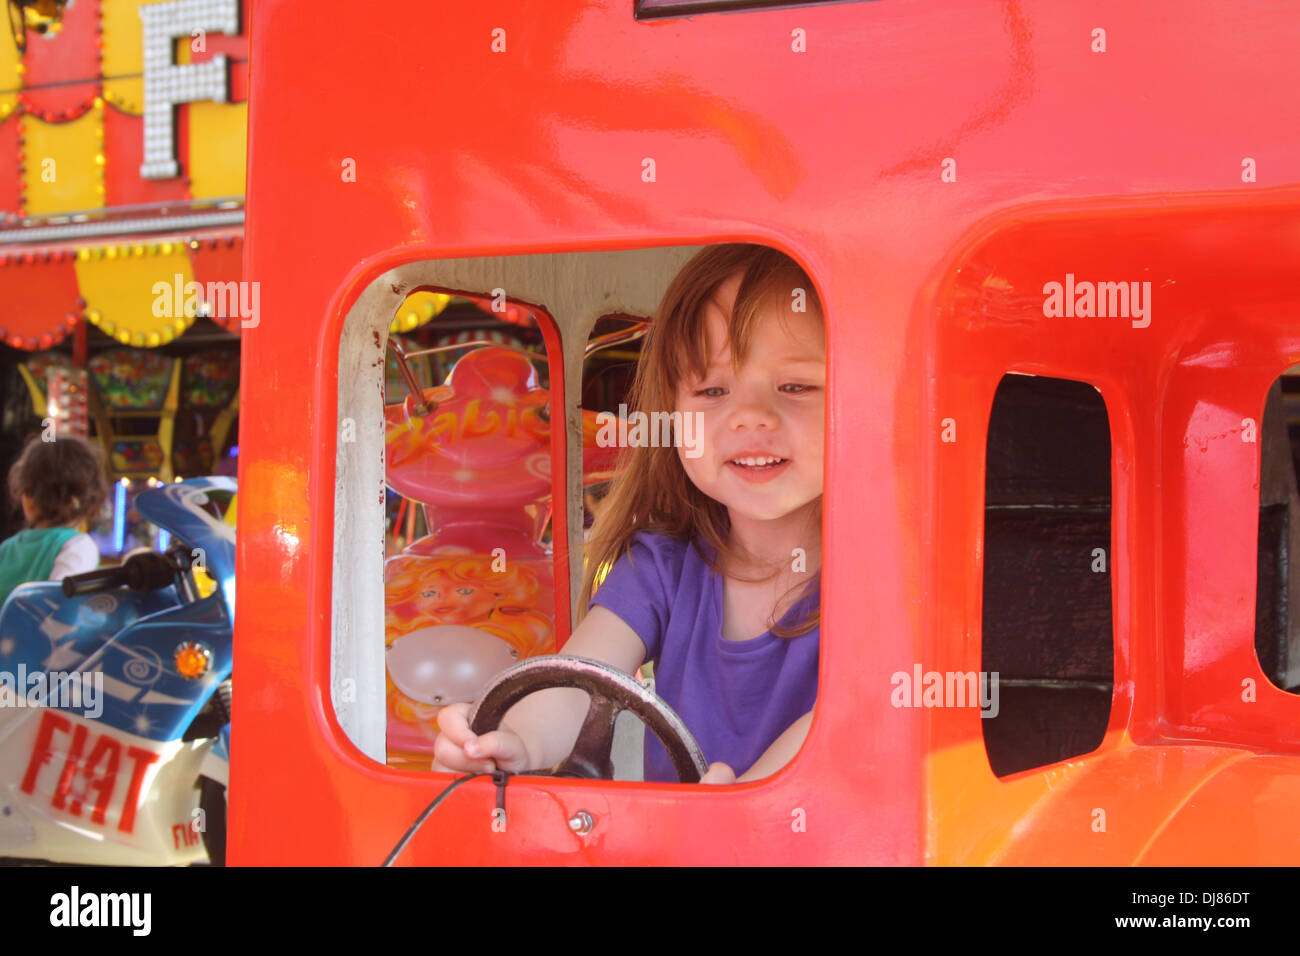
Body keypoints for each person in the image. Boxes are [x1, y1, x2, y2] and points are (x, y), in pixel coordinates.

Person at [434, 244, 825, 783]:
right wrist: (515, 743)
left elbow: (848, 723)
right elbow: (576, 681)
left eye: (796, 386)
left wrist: (746, 804)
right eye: (712, 389)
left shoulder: (888, 582)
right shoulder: (662, 568)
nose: (749, 416)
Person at [0, 434, 107, 607]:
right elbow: (59, 607)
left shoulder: (7, 549)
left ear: (26, 497)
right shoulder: (78, 546)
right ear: (85, 498)